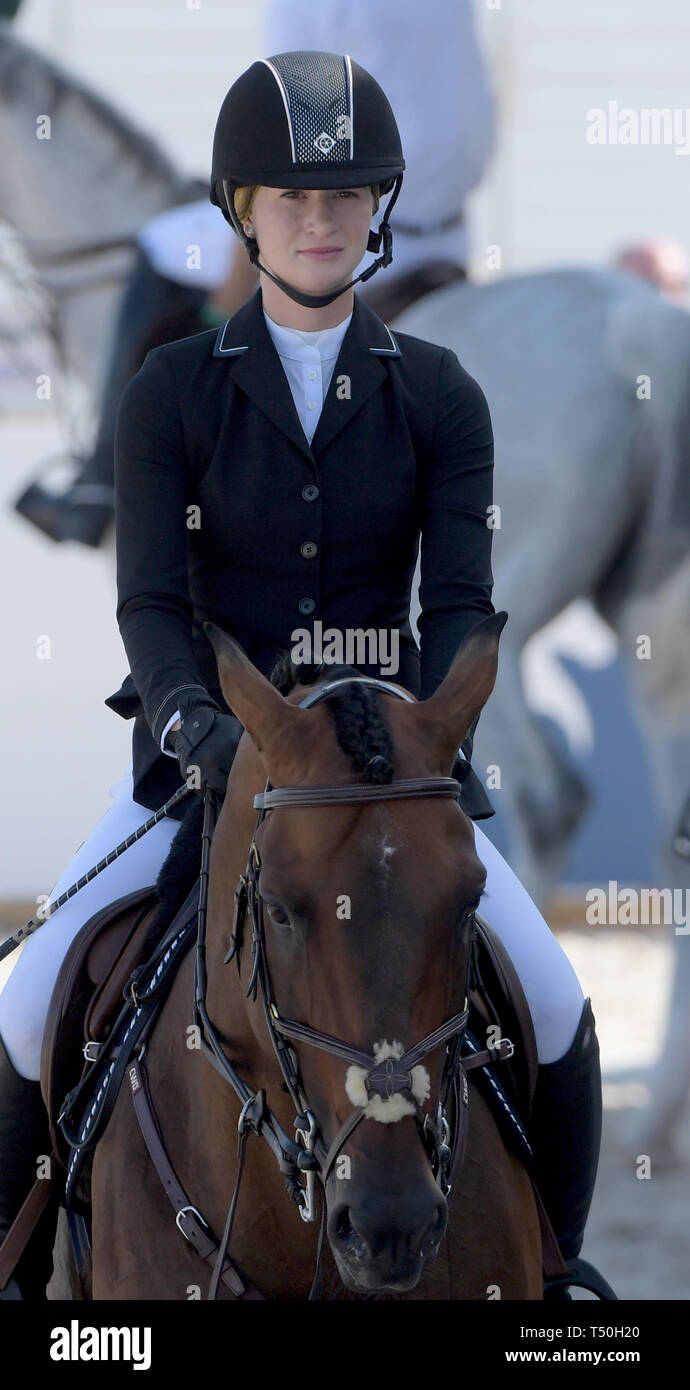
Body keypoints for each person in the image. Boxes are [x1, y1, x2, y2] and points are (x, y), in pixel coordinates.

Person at [0, 50, 601, 1300]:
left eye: (343, 199)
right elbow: (154, 603)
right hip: (200, 767)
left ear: (378, 211)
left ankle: (562, 1275)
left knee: (553, 1001)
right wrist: (206, 734)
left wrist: (428, 735)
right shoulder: (171, 390)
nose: (318, 221)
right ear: (244, 212)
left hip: (394, 778)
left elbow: (464, 606)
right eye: (290, 197)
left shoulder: (441, 394)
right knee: (32, 989)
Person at [14, 0, 494, 549]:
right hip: (445, 229)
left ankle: (102, 486)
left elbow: (287, 132)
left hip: (349, 219)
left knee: (160, 242)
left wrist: (226, 299)